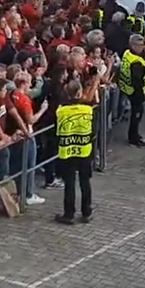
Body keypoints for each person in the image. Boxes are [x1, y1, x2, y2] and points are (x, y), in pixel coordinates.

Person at [54, 79, 94, 225]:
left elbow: (56, 132)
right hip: (84, 151)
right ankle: (86, 212)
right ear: (79, 92)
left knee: (69, 183)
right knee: (85, 182)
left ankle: (69, 214)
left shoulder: (61, 110)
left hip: (67, 152)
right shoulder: (88, 109)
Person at [118, 34, 145, 148]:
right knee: (136, 116)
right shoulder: (136, 63)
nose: (143, 47)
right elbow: (137, 82)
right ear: (133, 45)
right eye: (141, 45)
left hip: (126, 89)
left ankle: (134, 136)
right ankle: (133, 138)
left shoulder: (127, 53)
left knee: (135, 115)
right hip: (135, 93)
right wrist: (141, 96)